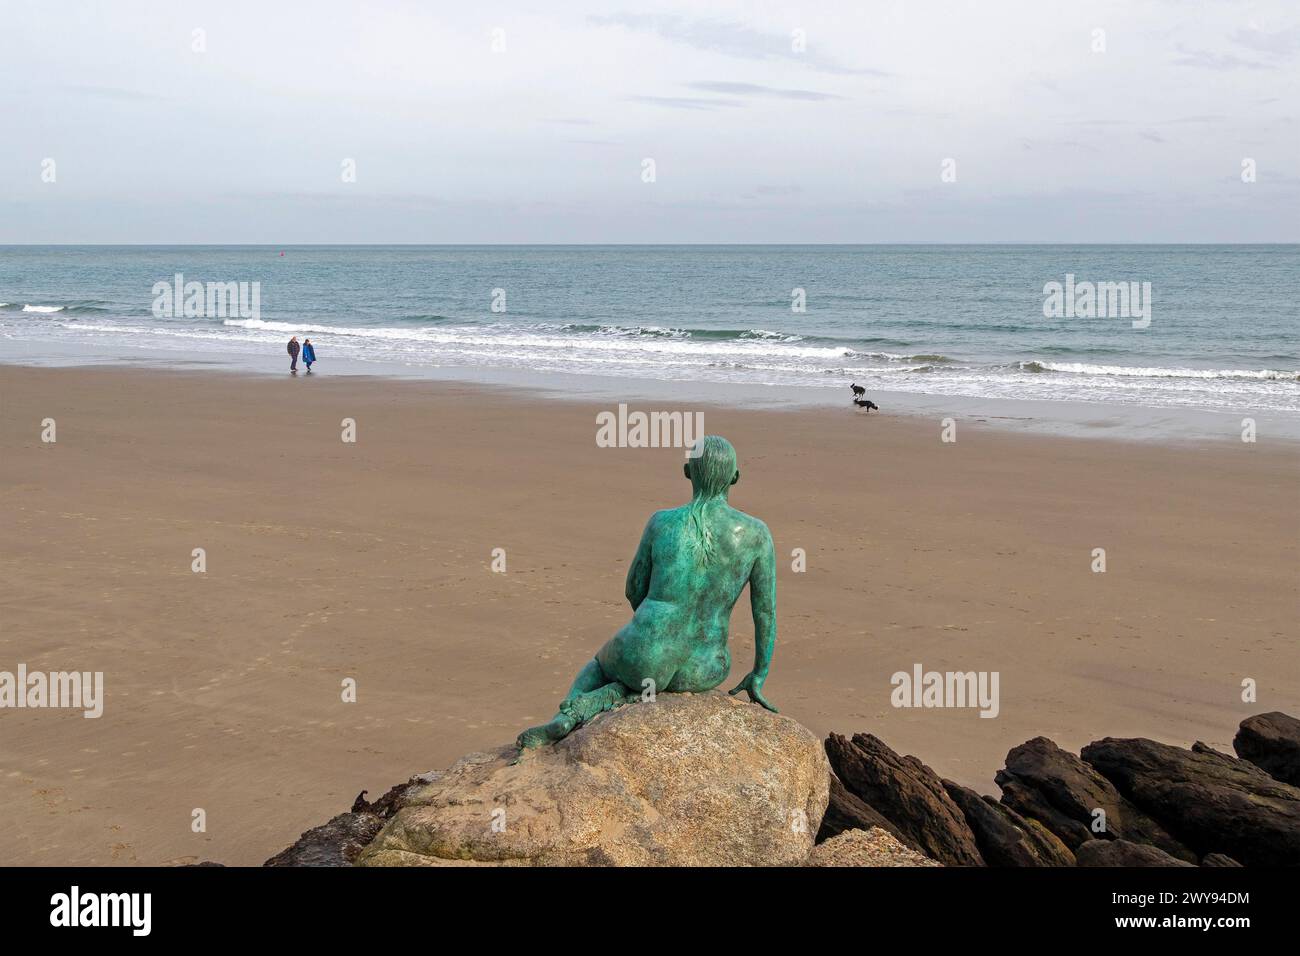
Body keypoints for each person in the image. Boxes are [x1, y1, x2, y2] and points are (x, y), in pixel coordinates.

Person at [516, 435, 777, 750]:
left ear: (687, 472)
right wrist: (758, 674)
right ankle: (622, 691)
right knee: (649, 675)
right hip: (707, 667)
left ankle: (571, 711)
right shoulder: (758, 534)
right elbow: (764, 612)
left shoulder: (662, 522)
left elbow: (633, 589)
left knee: (600, 665)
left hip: (645, 650)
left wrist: (653, 628)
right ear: (735, 478)